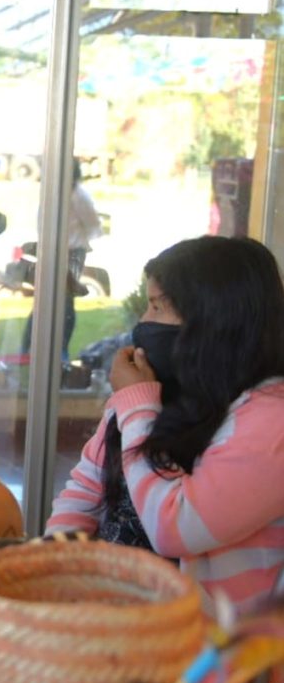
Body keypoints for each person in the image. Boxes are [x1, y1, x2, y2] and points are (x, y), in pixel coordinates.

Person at [46, 236, 284, 617]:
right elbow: (85, 490)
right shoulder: (155, 388)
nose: (143, 322)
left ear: (215, 318)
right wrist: (50, 568)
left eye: (158, 306)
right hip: (105, 621)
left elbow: (175, 530)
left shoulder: (271, 421)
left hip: (204, 657)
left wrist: (138, 403)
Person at [21, 159, 102, 361]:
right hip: (55, 252)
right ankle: (28, 351)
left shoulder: (77, 195)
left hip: (71, 253)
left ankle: (58, 353)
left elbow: (93, 226)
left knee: (63, 302)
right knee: (47, 302)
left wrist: (76, 243)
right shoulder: (54, 193)